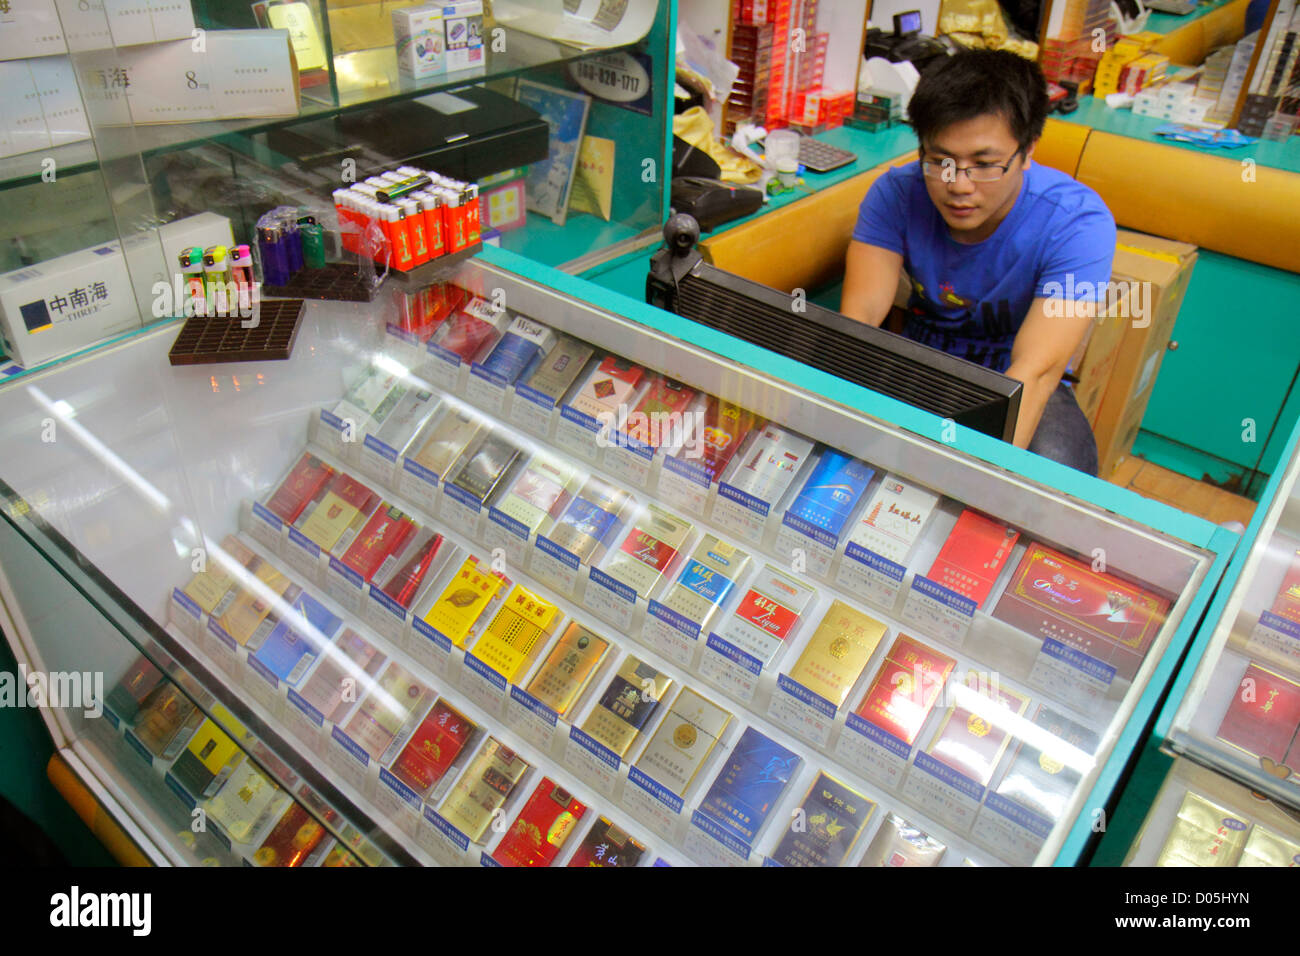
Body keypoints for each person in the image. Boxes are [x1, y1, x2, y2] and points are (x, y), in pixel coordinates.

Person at [840, 49, 1116, 475]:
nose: (958, 185)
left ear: (1027, 152)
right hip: (919, 361)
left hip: (1013, 377)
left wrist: (976, 481)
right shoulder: (895, 193)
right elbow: (857, 323)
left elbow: (1037, 371)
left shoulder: (1077, 222)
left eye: (985, 165)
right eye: (939, 161)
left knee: (1058, 475)